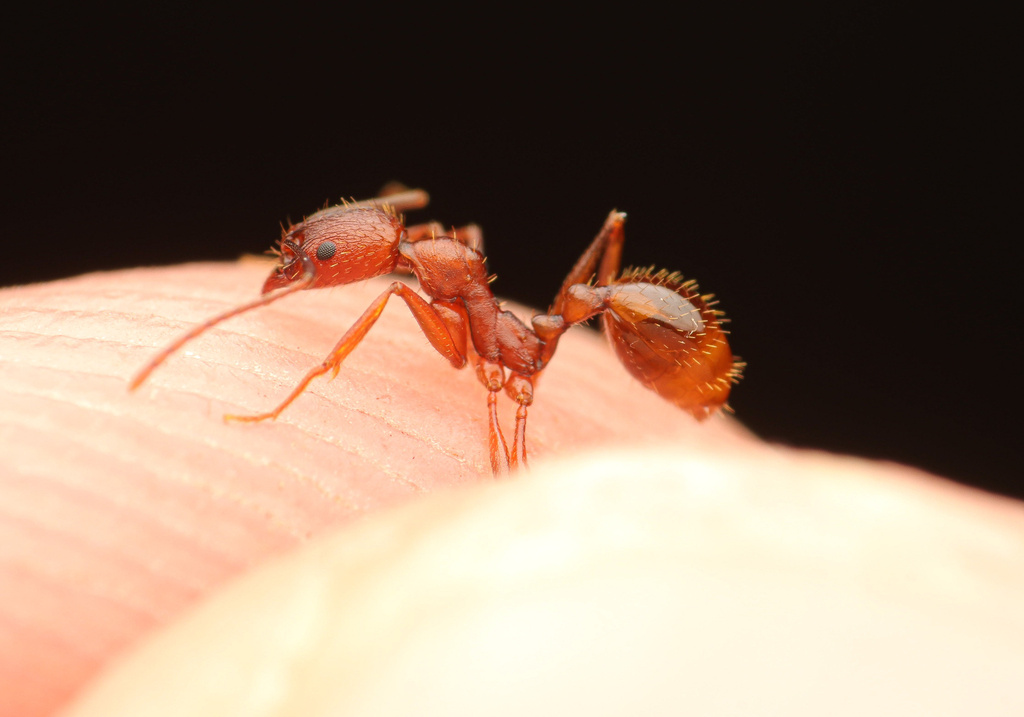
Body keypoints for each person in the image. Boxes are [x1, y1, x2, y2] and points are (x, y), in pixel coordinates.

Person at [2, 263, 1023, 716]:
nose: (307, 271)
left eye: (315, 263)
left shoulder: (426, 287)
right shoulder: (446, 285)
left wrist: (303, 389)